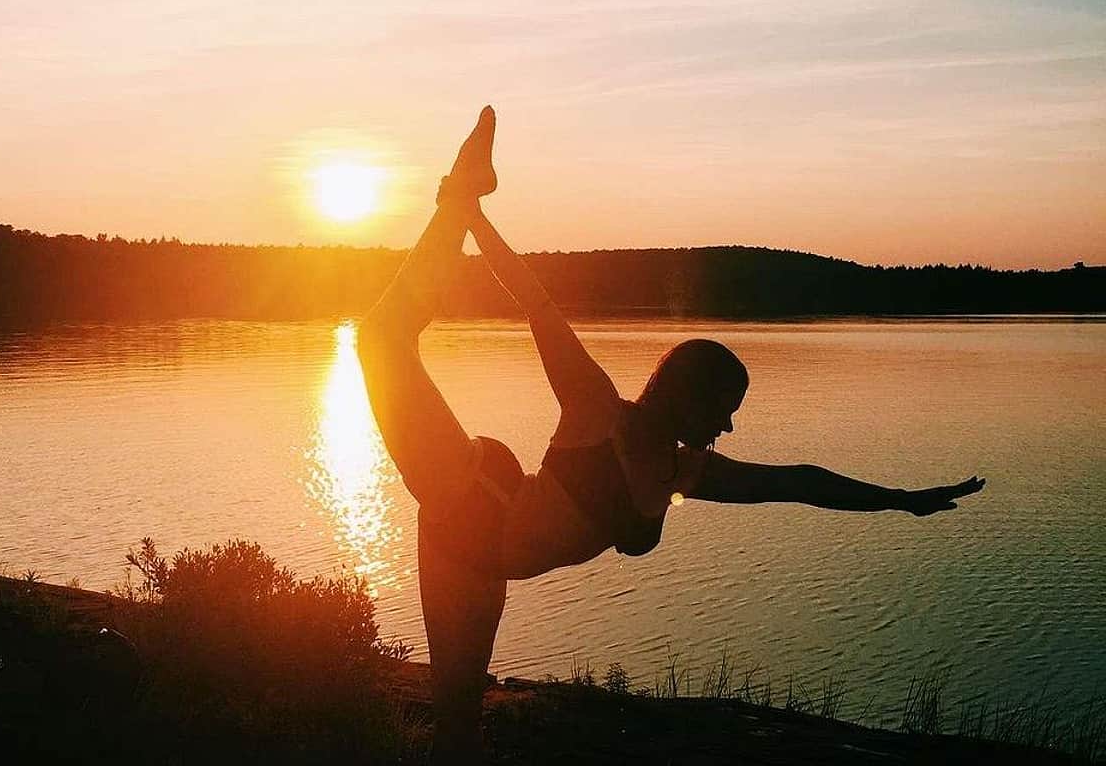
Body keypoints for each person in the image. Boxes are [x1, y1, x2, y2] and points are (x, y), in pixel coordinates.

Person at [357, 106, 985, 763]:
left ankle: (461, 194)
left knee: (457, 732)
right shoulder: (596, 407)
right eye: (725, 407)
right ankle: (460, 189)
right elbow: (534, 299)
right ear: (689, 394)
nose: (730, 424)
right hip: (471, 501)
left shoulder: (685, 473)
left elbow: (799, 482)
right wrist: (473, 218)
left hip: (483, 554)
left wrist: (901, 499)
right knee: (378, 340)